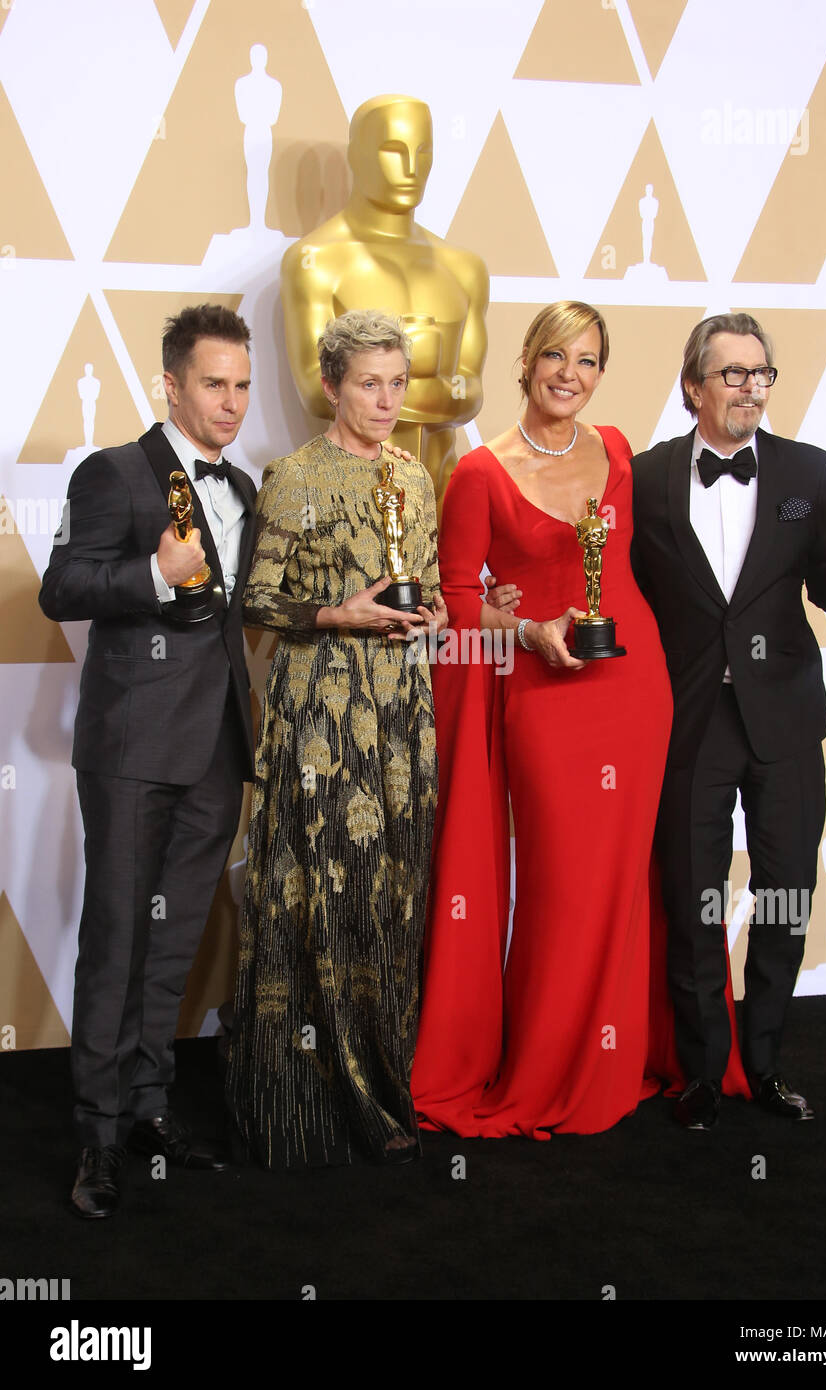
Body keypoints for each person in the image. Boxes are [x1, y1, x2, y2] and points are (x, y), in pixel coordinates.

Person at [411, 301, 740, 1139]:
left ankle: (626, 1054)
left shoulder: (622, 453)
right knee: (564, 887)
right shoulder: (480, 473)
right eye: (556, 356)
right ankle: (553, 1070)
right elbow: (454, 601)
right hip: (547, 700)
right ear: (525, 362)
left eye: (589, 361)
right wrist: (520, 627)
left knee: (633, 885)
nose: (571, 375)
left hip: (637, 696)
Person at [628, 312, 826, 1129]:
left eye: (761, 373)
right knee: (695, 896)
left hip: (783, 722)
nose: (750, 388)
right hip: (691, 720)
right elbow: (623, 596)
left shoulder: (808, 471)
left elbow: (825, 586)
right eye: (733, 373)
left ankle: (765, 1064)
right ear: (693, 387)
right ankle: (704, 1072)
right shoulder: (644, 477)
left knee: (785, 894)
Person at [39, 304, 258, 1217]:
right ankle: (95, 1138)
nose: (233, 403)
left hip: (216, 748)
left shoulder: (242, 484)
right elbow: (62, 587)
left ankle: (148, 1107)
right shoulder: (114, 473)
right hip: (133, 747)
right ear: (169, 384)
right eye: (215, 384)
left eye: (244, 385)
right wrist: (157, 574)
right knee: (119, 937)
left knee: (171, 943)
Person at [225, 309, 446, 1167]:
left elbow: (425, 592)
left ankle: (385, 1083)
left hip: (401, 708)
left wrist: (431, 613)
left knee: (392, 893)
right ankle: (303, 1108)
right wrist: (333, 614)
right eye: (368, 383)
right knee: (318, 892)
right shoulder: (293, 476)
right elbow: (255, 602)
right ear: (332, 386)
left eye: (397, 382)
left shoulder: (416, 478)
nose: (386, 399)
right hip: (319, 706)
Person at [281, 93, 488, 500]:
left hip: (443, 494)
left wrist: (370, 383)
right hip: (349, 499)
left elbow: (471, 391)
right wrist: (431, 373)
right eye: (394, 150)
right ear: (356, 156)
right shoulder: (316, 260)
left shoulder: (464, 267)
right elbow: (315, 390)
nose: (411, 169)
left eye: (423, 152)